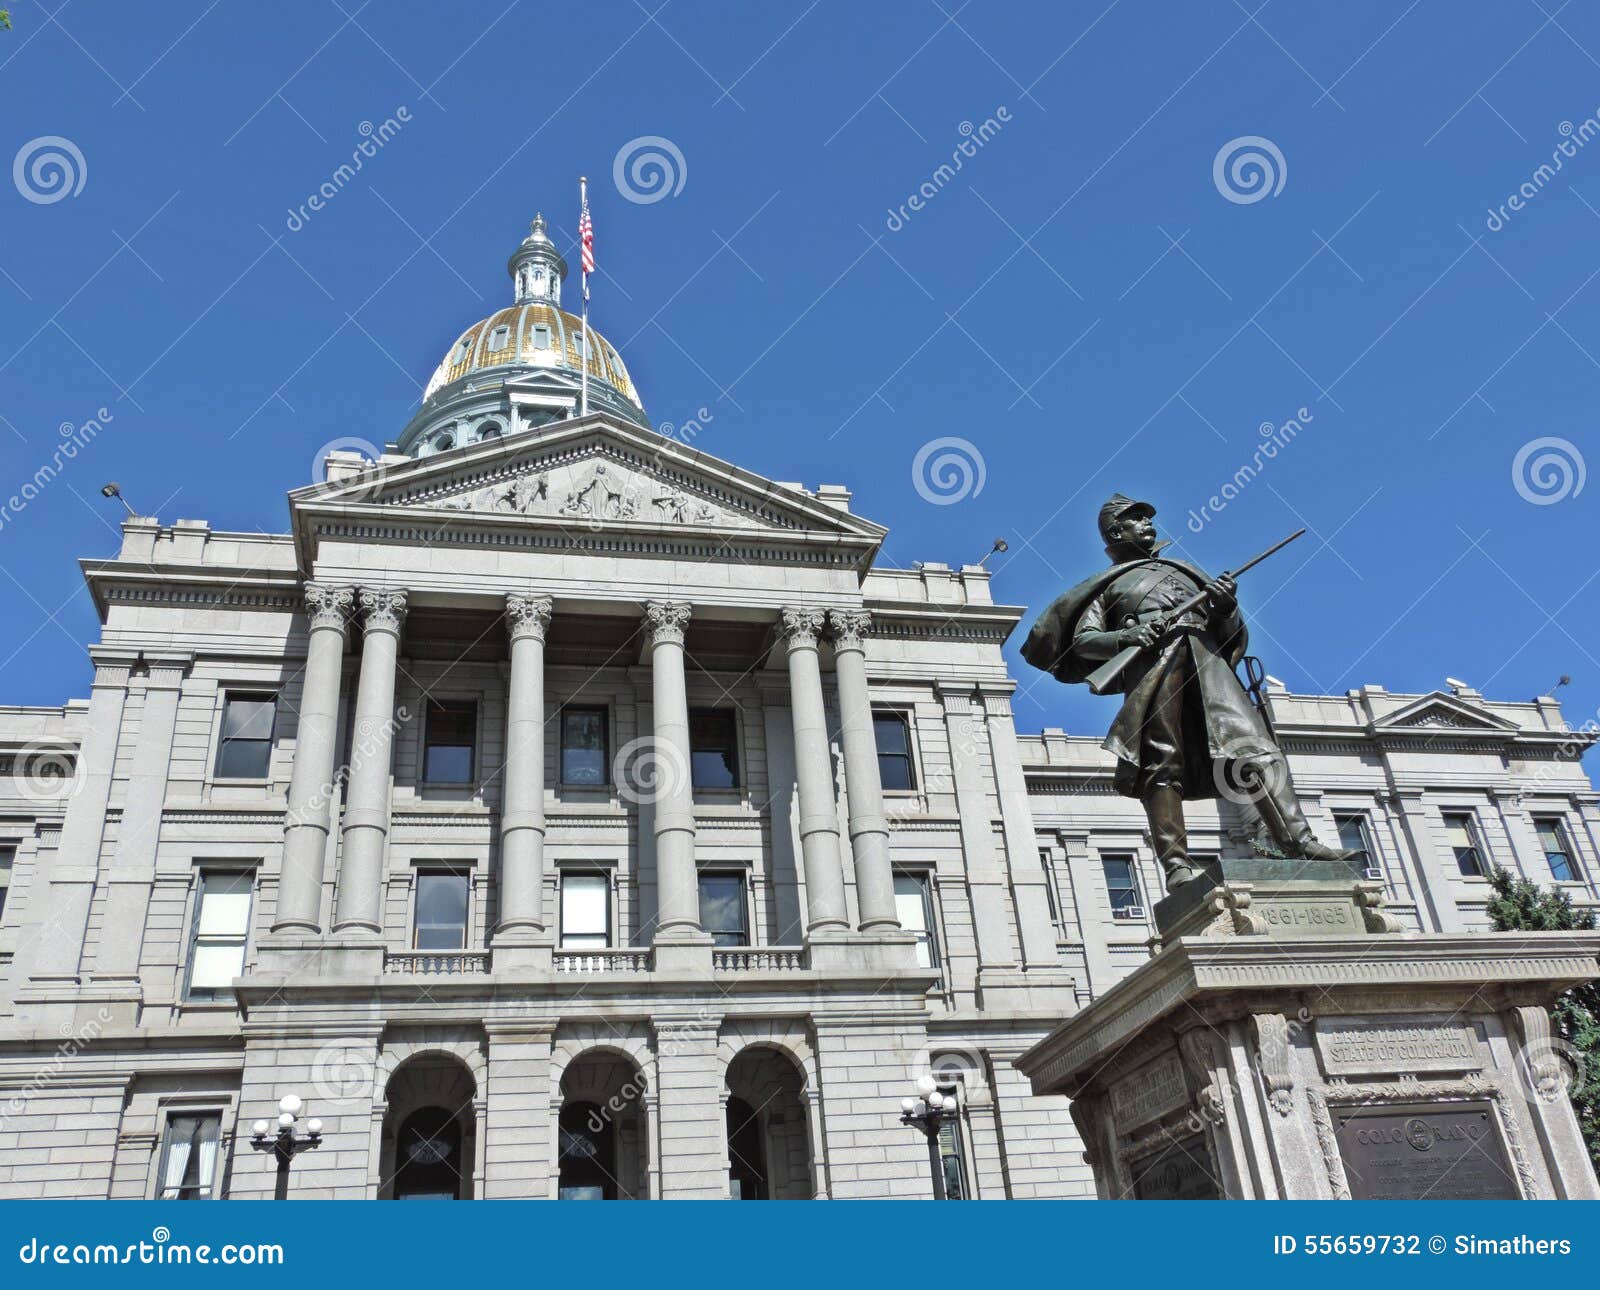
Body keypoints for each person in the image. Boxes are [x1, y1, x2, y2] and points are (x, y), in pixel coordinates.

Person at [1022, 493, 1358, 890]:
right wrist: (1128, 635)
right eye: (1136, 520)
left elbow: (1229, 634)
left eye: (1148, 518)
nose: (1148, 524)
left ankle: (1299, 841)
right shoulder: (1107, 588)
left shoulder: (1185, 571)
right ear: (1116, 531)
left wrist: (1225, 607)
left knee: (1256, 747)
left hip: (1208, 665)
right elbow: (1084, 641)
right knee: (1162, 763)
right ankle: (1177, 865)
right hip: (1156, 671)